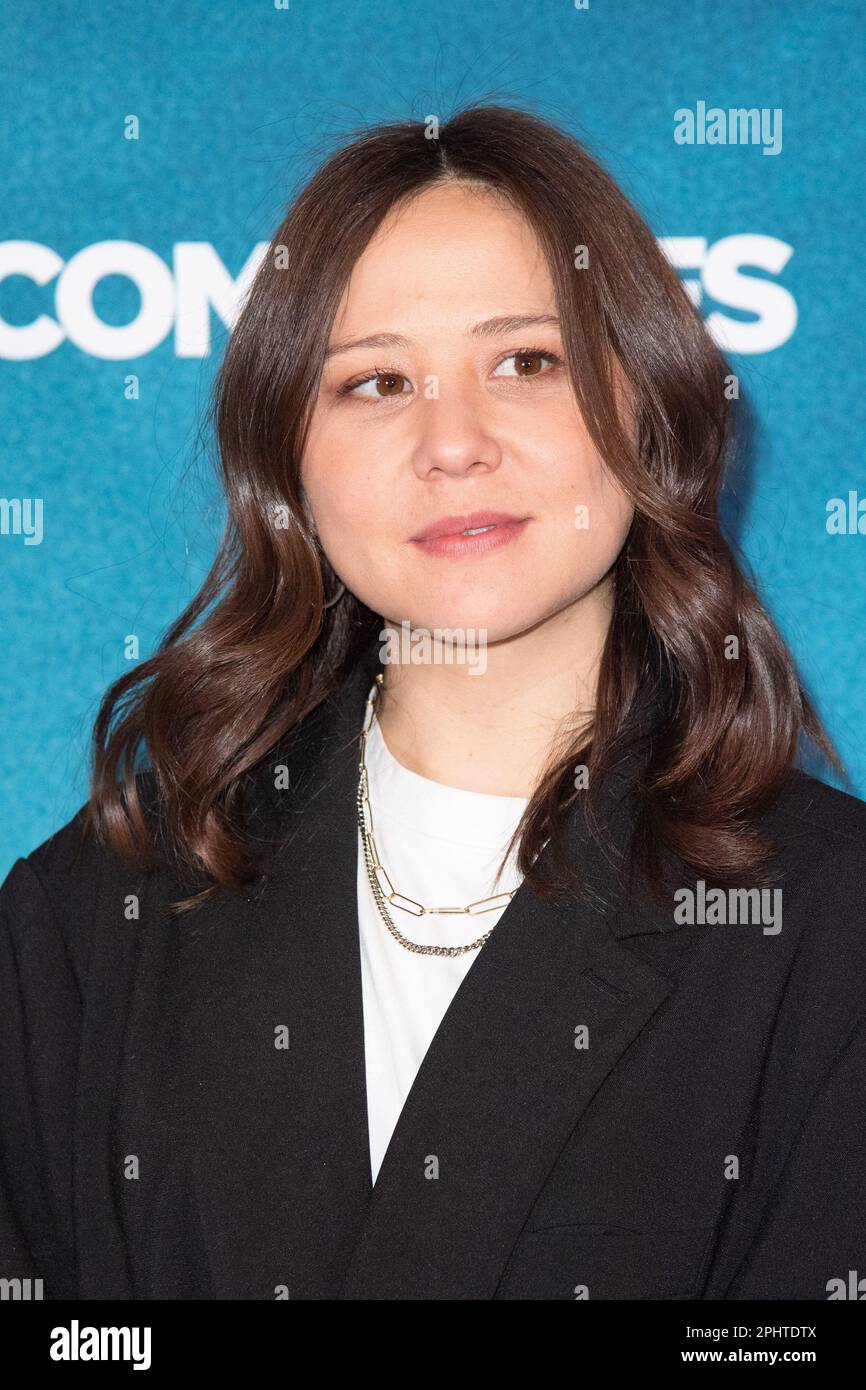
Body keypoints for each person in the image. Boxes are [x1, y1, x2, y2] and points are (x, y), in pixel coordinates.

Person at [1, 104, 865, 1301]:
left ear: (647, 408)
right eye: (375, 381)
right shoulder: (91, 919)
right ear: (287, 464)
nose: (450, 441)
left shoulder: (827, 931)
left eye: (525, 360)